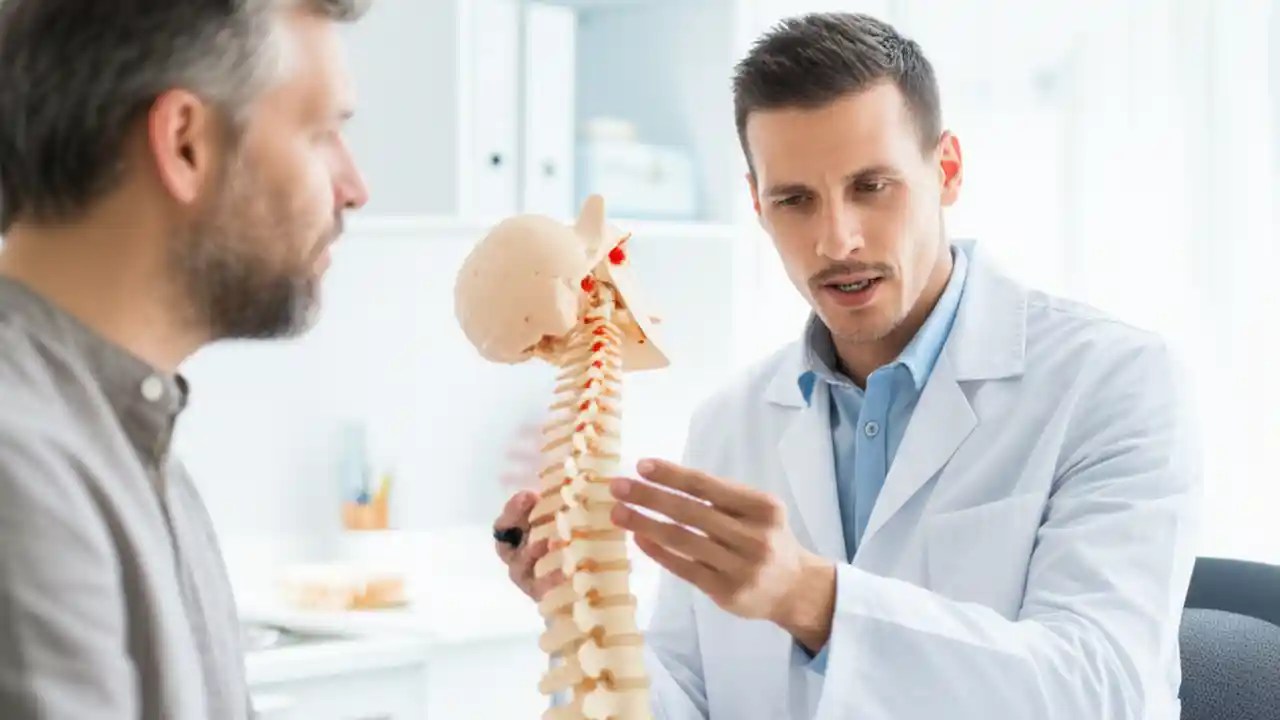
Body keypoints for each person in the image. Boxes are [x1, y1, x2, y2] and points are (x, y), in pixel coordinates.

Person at [493, 11, 1201, 720]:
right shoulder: (730, 424)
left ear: (946, 170)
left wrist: (815, 600)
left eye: (872, 186)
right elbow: (689, 695)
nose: (837, 240)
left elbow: (1106, 689)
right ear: (757, 205)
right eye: (795, 200)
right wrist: (582, 615)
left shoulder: (1115, 382)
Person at [0, 1, 370, 718]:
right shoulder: (23, 472)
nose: (354, 186)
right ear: (184, 144)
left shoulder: (132, 439)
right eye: (322, 133)